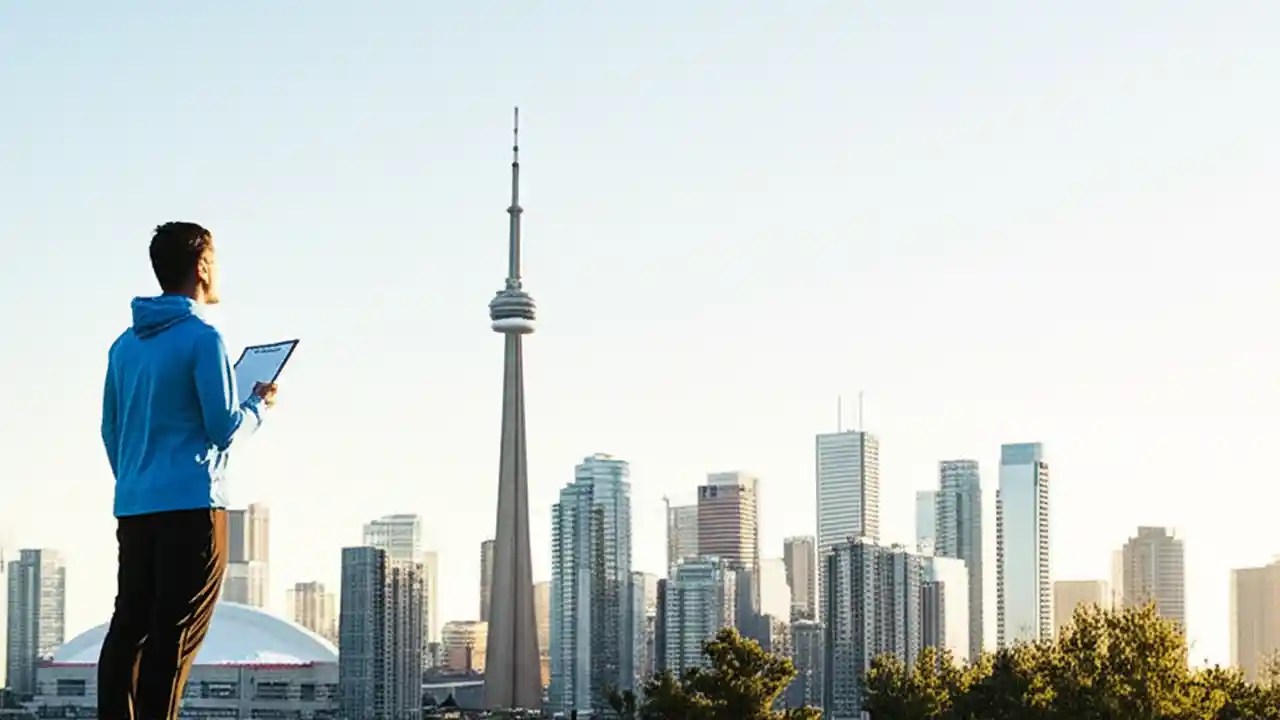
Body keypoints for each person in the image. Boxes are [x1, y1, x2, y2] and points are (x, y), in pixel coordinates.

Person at [98, 222, 277, 720]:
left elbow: (110, 430)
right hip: (192, 508)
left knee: (128, 626)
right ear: (201, 267)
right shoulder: (203, 338)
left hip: (134, 507)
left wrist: (135, 478)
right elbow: (222, 428)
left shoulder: (123, 347)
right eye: (214, 261)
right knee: (174, 633)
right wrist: (257, 405)